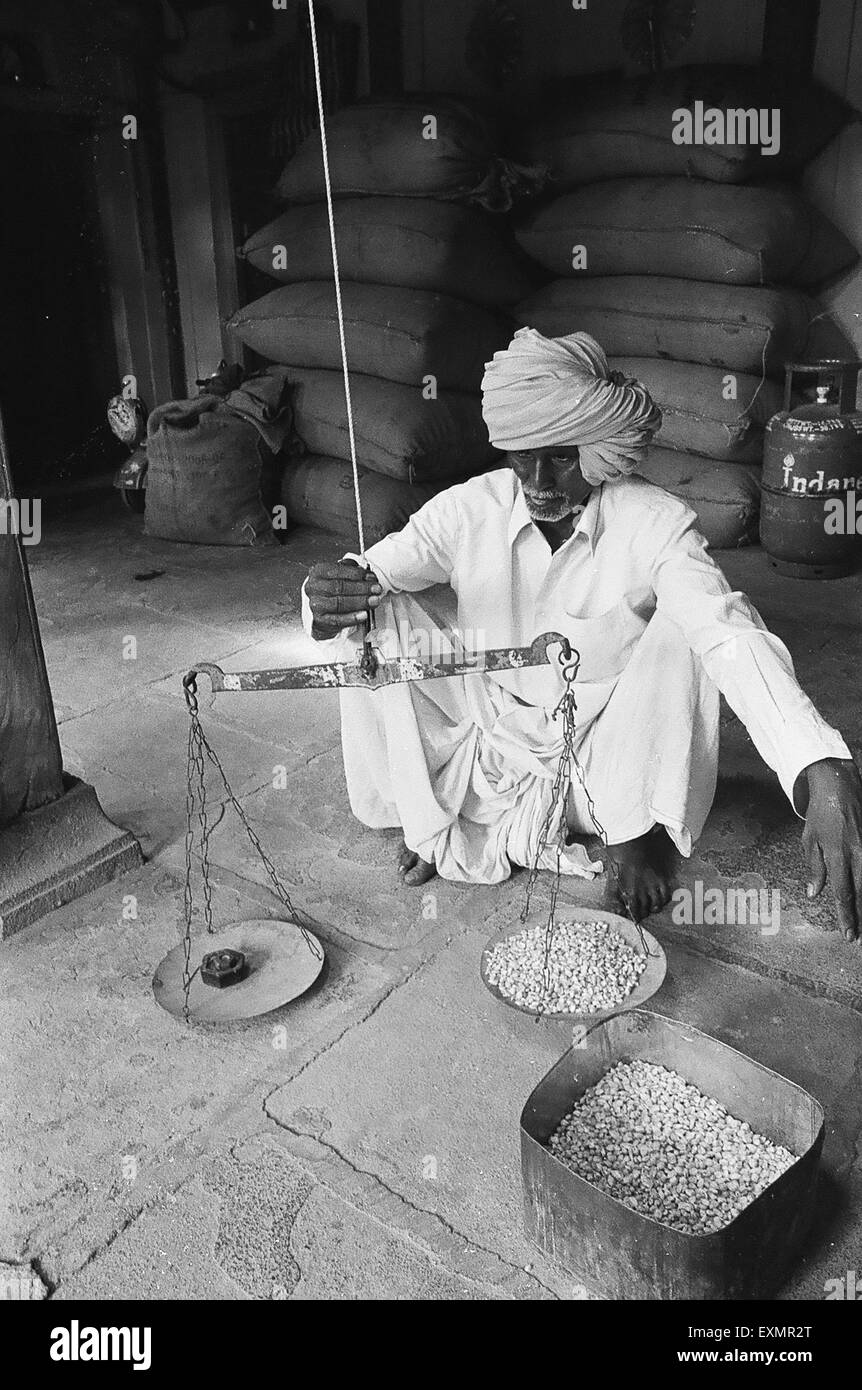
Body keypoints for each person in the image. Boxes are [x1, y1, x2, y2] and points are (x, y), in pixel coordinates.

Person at [304, 328, 862, 939]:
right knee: (370, 611)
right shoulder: (469, 509)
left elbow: (728, 632)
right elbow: (376, 570)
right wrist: (328, 596)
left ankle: (632, 836)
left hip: (603, 756)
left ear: (600, 450)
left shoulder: (655, 523)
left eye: (564, 458)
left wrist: (820, 763)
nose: (540, 478)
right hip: (490, 737)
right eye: (523, 455)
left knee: (689, 625)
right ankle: (431, 812)